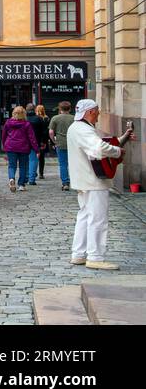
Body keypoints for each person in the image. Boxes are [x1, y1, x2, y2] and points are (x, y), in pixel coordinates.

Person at [68, 99, 133, 270]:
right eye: (97, 111)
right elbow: (99, 148)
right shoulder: (83, 129)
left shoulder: (77, 128)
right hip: (93, 180)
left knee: (84, 217)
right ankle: (95, 256)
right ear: (90, 112)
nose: (98, 114)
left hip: (84, 180)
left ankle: (79, 254)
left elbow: (102, 144)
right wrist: (119, 151)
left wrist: (121, 140)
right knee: (98, 219)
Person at [0, 105, 38, 192]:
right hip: (23, 147)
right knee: (23, 166)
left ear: (14, 113)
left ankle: (11, 179)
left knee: (12, 165)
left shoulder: (8, 123)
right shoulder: (27, 124)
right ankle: (21, 184)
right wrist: (36, 149)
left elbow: (4, 136)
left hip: (11, 146)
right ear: (24, 114)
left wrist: (4, 145)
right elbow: (32, 138)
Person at [49, 101, 75, 190]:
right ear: (70, 109)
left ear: (60, 109)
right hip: (72, 144)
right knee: (73, 164)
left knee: (63, 164)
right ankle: (76, 182)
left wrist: (54, 141)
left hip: (60, 143)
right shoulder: (74, 118)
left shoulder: (55, 118)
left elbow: (51, 132)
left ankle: (65, 183)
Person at [30, 104, 50, 182]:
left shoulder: (35, 118)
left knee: (33, 158)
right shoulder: (46, 118)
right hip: (42, 140)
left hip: (35, 140)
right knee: (41, 158)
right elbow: (46, 131)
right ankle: (41, 173)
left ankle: (33, 172)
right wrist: (44, 141)